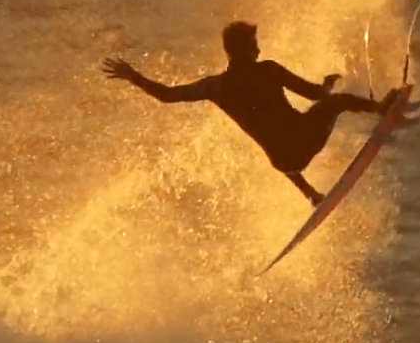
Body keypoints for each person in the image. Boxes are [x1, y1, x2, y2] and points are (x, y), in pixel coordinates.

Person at [102, 21, 400, 206]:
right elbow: (318, 97)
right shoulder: (268, 70)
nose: (258, 51)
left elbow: (167, 95)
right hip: (303, 142)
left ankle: (310, 194)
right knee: (335, 103)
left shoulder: (216, 86)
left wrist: (134, 77)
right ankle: (380, 109)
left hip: (283, 161)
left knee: (271, 137)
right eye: (254, 46)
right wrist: (327, 84)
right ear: (242, 49)